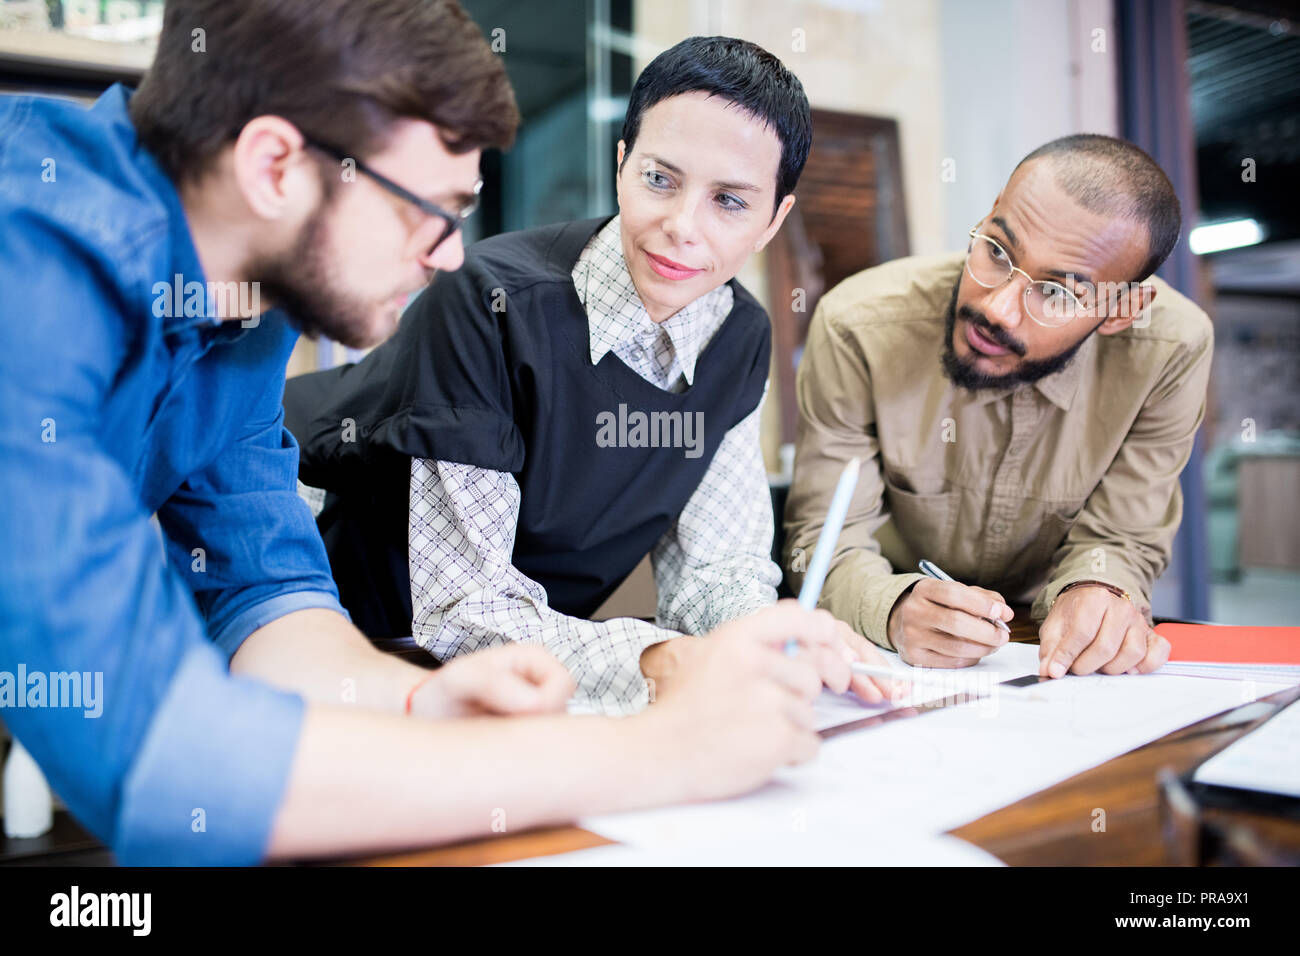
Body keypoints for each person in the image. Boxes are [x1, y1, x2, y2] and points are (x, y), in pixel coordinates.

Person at [0, 0, 863, 865]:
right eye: (431, 208)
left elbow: (263, 597)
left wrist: (409, 702)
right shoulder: (26, 265)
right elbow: (170, 766)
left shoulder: (249, 309)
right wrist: (664, 752)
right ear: (273, 165)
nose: (451, 254)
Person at [286, 36, 894, 713]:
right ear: (621, 165)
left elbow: (715, 573)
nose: (680, 226)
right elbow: (465, 613)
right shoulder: (491, 300)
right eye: (660, 179)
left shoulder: (739, 337)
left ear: (773, 221)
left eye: (729, 201)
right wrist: (665, 660)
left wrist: (773, 639)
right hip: (345, 635)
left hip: (514, 677)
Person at [784, 134, 1213, 679]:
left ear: (1121, 311)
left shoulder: (1172, 349)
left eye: (1057, 293)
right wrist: (889, 608)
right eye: (998, 251)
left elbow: (1121, 537)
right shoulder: (857, 324)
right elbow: (824, 540)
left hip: (1052, 654)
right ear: (988, 217)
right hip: (890, 649)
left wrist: (1099, 588)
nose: (998, 310)